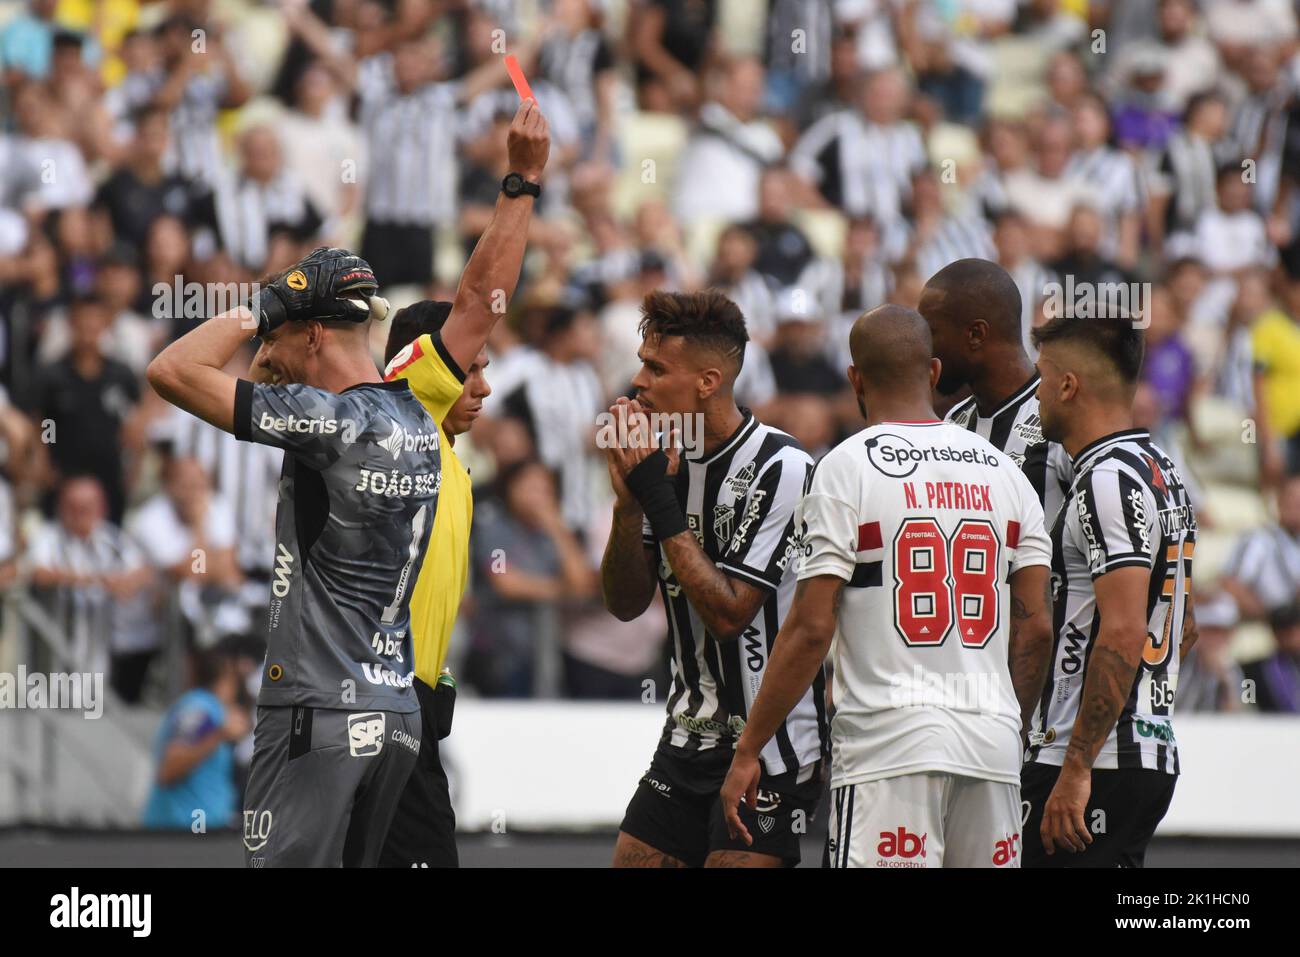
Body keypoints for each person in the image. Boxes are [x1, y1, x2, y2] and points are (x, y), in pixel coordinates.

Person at [719, 304, 1054, 868]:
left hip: (888, 748)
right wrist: (1008, 727)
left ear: (855, 378)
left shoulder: (846, 468)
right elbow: (1037, 627)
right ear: (932, 371)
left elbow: (810, 628)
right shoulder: (1006, 473)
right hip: (992, 746)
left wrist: (749, 749)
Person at [146, 246, 436, 867]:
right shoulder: (416, 421)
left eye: (273, 340)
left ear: (312, 334)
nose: (263, 359)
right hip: (396, 712)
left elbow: (171, 370)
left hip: (318, 706)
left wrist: (261, 305)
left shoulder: (328, 422)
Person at [377, 98, 550, 868]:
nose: (480, 383)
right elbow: (482, 299)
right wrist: (521, 180)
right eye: (470, 366)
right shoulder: (404, 406)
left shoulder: (450, 456)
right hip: (381, 703)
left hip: (414, 705)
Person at [601, 289, 826, 868]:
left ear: (706, 381)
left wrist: (654, 495)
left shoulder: (783, 467)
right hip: (686, 735)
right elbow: (625, 604)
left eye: (655, 368)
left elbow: (730, 615)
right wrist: (629, 509)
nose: (638, 382)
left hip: (769, 744)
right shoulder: (664, 461)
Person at [1022, 314, 1198, 868]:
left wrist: (1075, 767)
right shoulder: (1161, 468)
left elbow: (1123, 630)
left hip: (1091, 761)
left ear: (1069, 385)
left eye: (1043, 378)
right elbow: (1183, 628)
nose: (1038, 394)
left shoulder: (1105, 480)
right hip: (1146, 750)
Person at [919, 258, 1074, 521]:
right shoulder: (954, 422)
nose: (923, 349)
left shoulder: (1063, 419)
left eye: (931, 333)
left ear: (976, 334)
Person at [141, 639, 250, 830]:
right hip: (183, 834)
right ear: (228, 675)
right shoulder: (200, 708)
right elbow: (170, 767)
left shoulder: (210, 710)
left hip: (199, 832)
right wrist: (218, 736)